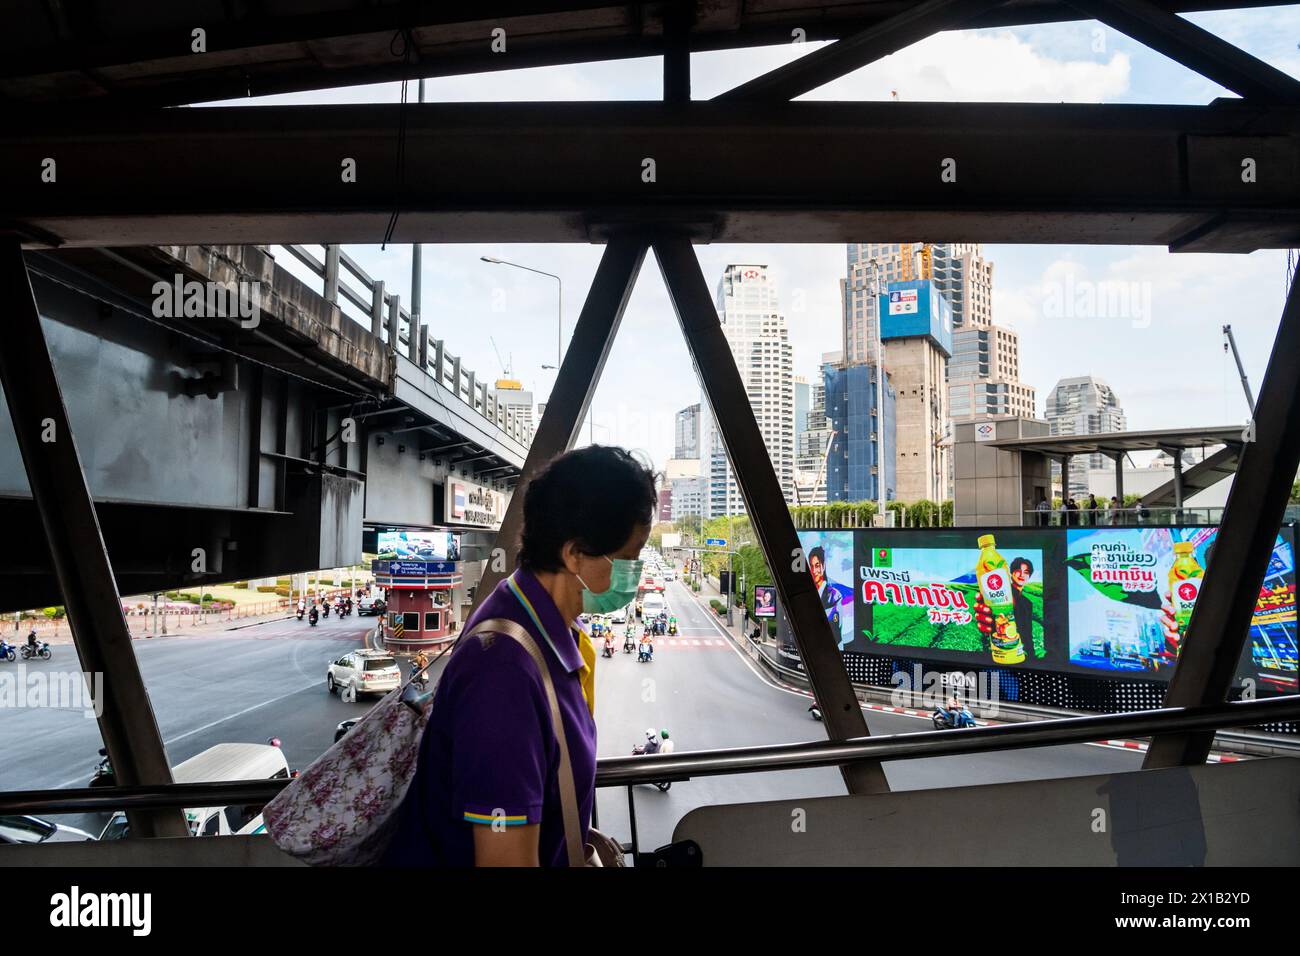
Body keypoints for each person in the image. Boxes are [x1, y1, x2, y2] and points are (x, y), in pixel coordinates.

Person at [382, 445, 656, 867]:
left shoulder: (540, 624)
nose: (635, 574)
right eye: (628, 559)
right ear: (574, 554)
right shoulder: (504, 674)